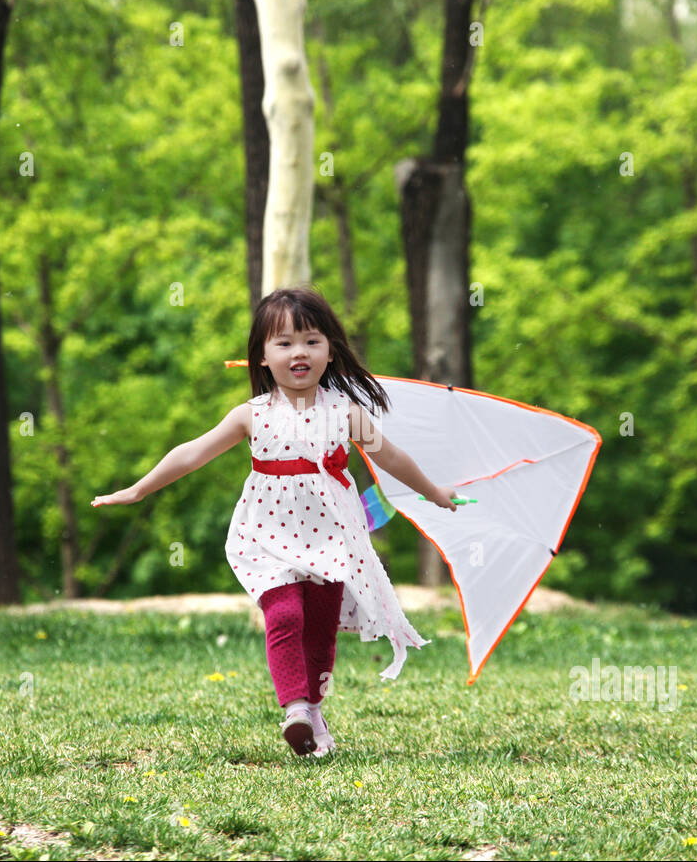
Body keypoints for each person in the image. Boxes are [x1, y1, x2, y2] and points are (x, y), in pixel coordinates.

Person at [92, 286, 458, 757]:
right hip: (267, 536)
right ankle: (296, 710)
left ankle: (314, 711)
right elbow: (190, 454)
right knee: (284, 615)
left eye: (311, 340)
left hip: (331, 535)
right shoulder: (252, 415)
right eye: (283, 343)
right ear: (262, 357)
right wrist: (138, 489)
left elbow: (393, 458)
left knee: (320, 630)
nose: (298, 352)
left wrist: (434, 492)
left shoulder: (345, 413)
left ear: (330, 351)